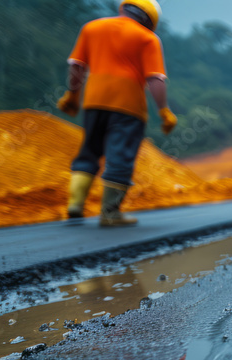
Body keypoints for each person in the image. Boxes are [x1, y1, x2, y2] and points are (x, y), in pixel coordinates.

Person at [58, 0, 177, 227]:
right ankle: (110, 213)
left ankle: (75, 205)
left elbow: (77, 66)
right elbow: (155, 79)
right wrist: (164, 111)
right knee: (120, 155)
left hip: (94, 101)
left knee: (89, 150)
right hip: (129, 107)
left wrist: (72, 96)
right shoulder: (148, 38)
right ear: (150, 19)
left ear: (124, 7)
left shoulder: (92, 27)